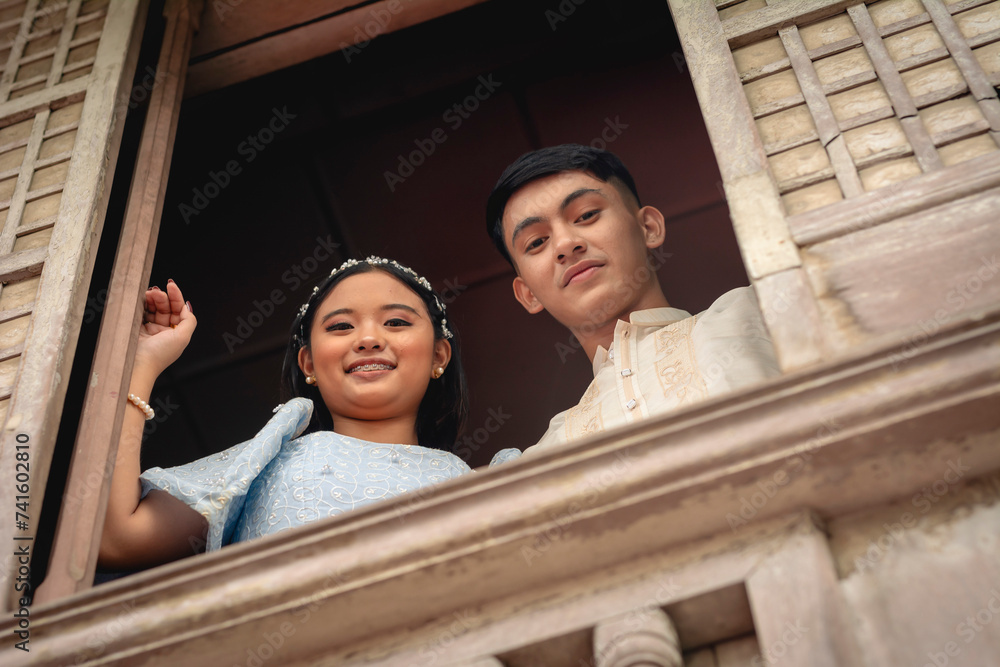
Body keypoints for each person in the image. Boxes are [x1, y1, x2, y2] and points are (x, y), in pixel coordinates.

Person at [99, 257, 516, 571]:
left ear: (438, 356)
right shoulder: (268, 460)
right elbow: (118, 538)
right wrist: (142, 366)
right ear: (309, 364)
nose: (369, 339)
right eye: (340, 327)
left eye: (395, 322)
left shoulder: (486, 485)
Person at [485, 144, 782, 453]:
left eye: (586, 215)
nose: (565, 244)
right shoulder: (550, 452)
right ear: (528, 295)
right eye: (536, 242)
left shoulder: (761, 311)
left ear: (648, 227)